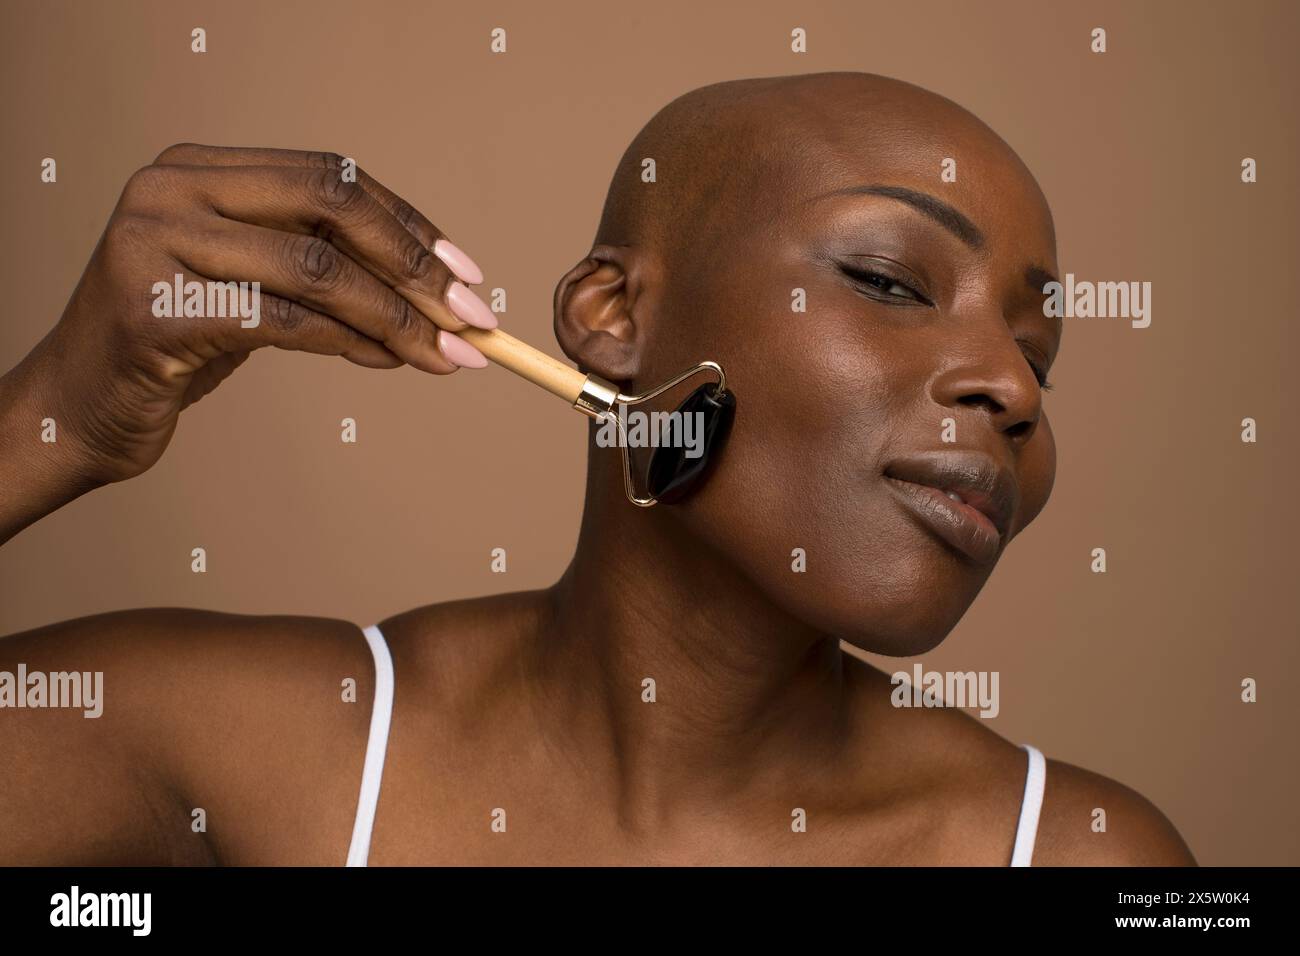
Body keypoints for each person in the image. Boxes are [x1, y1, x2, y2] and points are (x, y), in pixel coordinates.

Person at [0, 71, 1196, 865]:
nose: (1014, 388)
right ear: (611, 312)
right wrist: (55, 415)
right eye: (889, 280)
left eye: (1038, 353)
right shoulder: (263, 750)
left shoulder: (1083, 851)